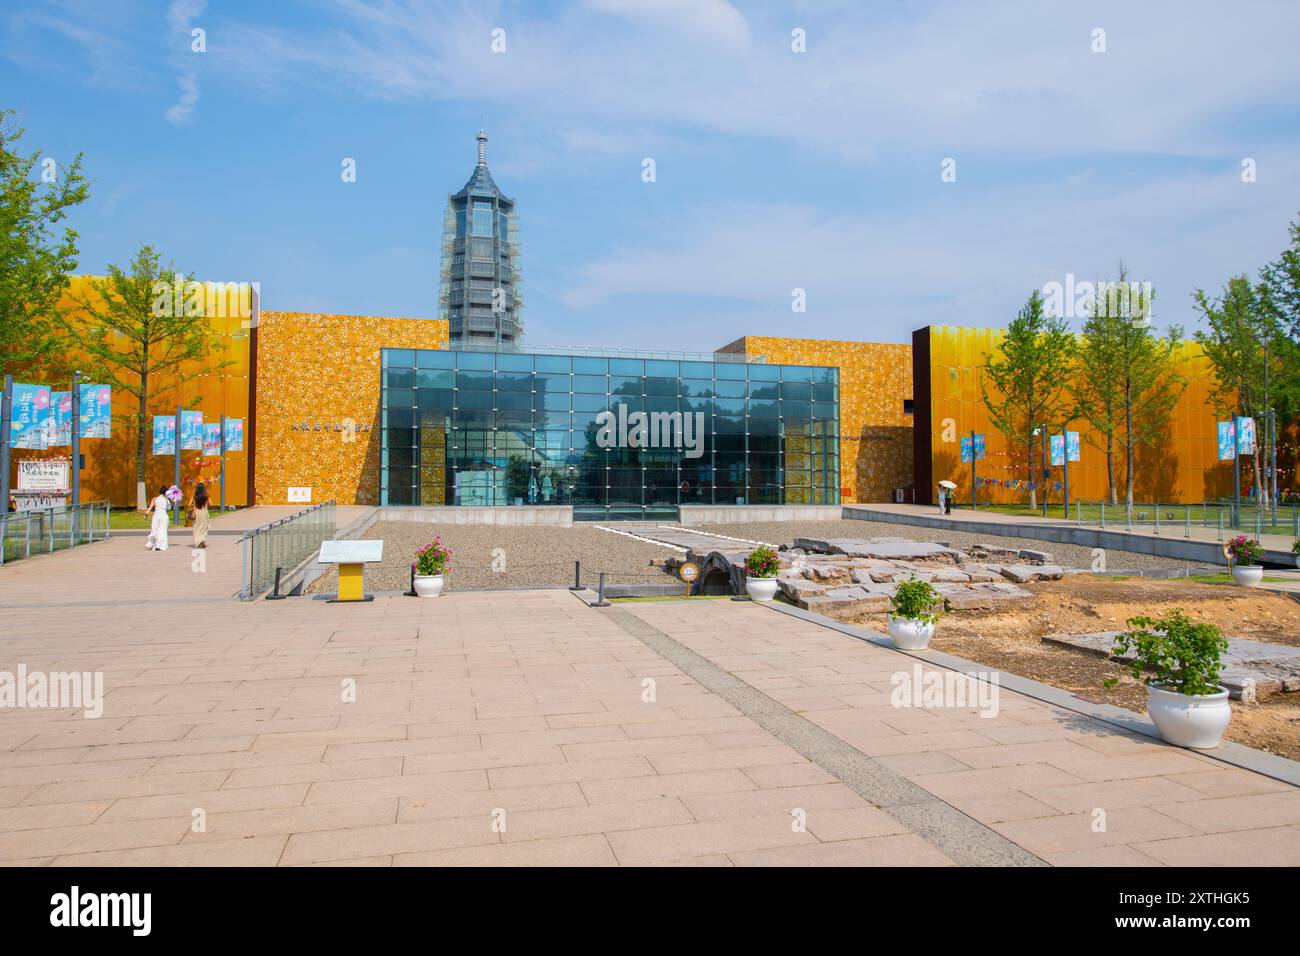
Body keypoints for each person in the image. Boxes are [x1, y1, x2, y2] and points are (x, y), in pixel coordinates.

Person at [145, 485, 170, 551]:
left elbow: (150, 507)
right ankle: (161, 545)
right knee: (163, 530)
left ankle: (154, 544)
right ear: (166, 492)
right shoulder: (167, 500)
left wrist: (146, 513)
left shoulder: (155, 498)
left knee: (154, 530)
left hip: (156, 515)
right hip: (164, 515)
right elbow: (169, 508)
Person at [189, 481, 210, 549]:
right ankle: (202, 541)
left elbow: (189, 504)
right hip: (204, 512)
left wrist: (193, 506)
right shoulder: (206, 495)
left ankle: (197, 542)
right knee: (204, 528)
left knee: (196, 528)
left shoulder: (194, 496)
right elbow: (211, 504)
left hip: (197, 512)